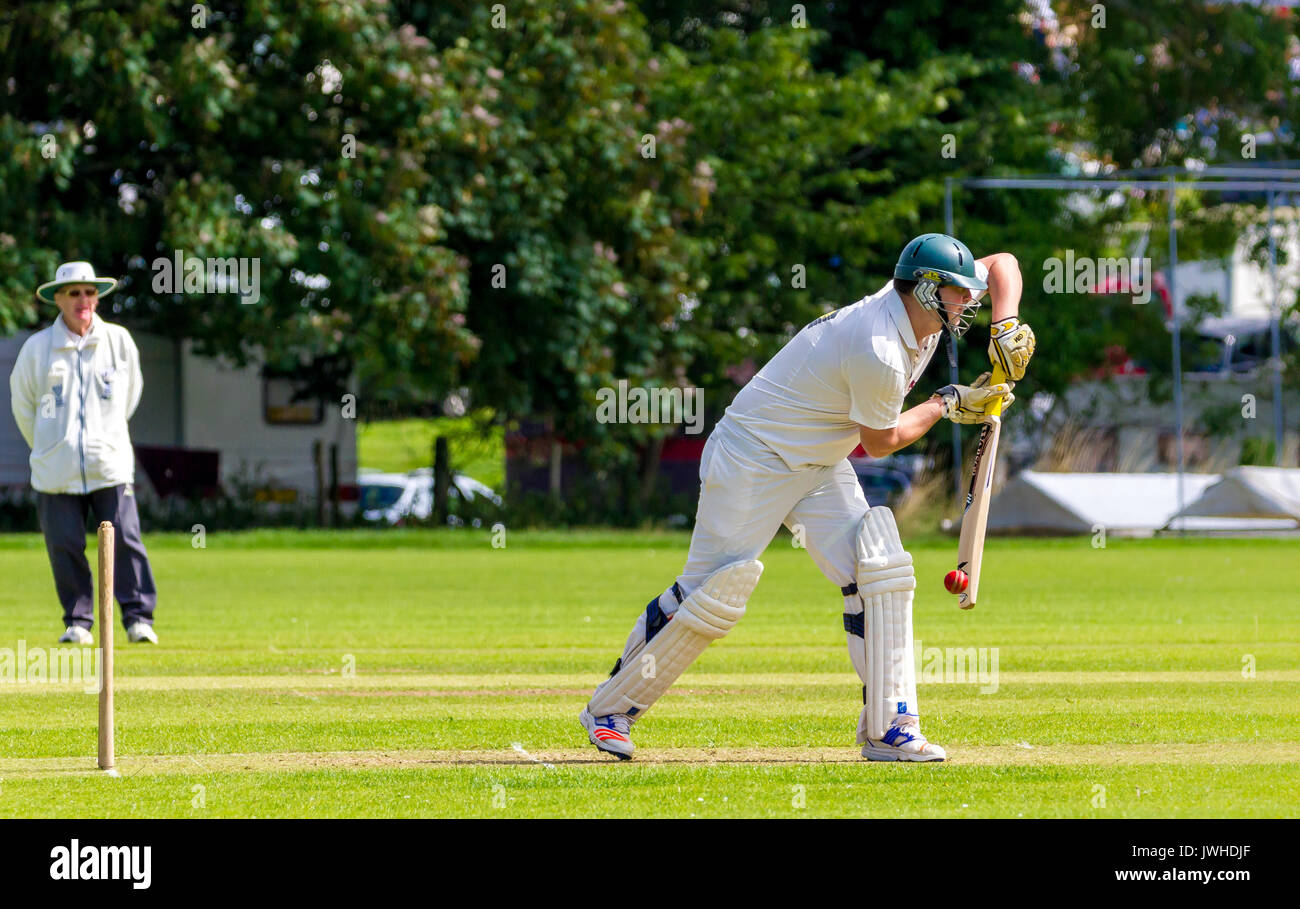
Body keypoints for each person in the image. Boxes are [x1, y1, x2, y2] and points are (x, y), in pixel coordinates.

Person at [579, 233, 1036, 761]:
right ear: (929, 290)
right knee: (712, 595)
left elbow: (1004, 262)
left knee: (880, 573)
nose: (970, 301)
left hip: (817, 462)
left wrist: (1006, 323)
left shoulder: (925, 310)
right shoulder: (878, 348)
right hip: (753, 457)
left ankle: (889, 728)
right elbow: (881, 442)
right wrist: (947, 403)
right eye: (961, 294)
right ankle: (610, 709)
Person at [9, 261, 159, 645]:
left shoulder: (119, 341)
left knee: (125, 539)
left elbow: (130, 397)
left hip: (109, 464)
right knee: (63, 545)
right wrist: (51, 445)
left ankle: (138, 618)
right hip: (54, 470)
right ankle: (78, 620)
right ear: (58, 298)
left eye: (89, 292)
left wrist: (103, 438)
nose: (83, 300)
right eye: (74, 293)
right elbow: (24, 408)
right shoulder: (37, 348)